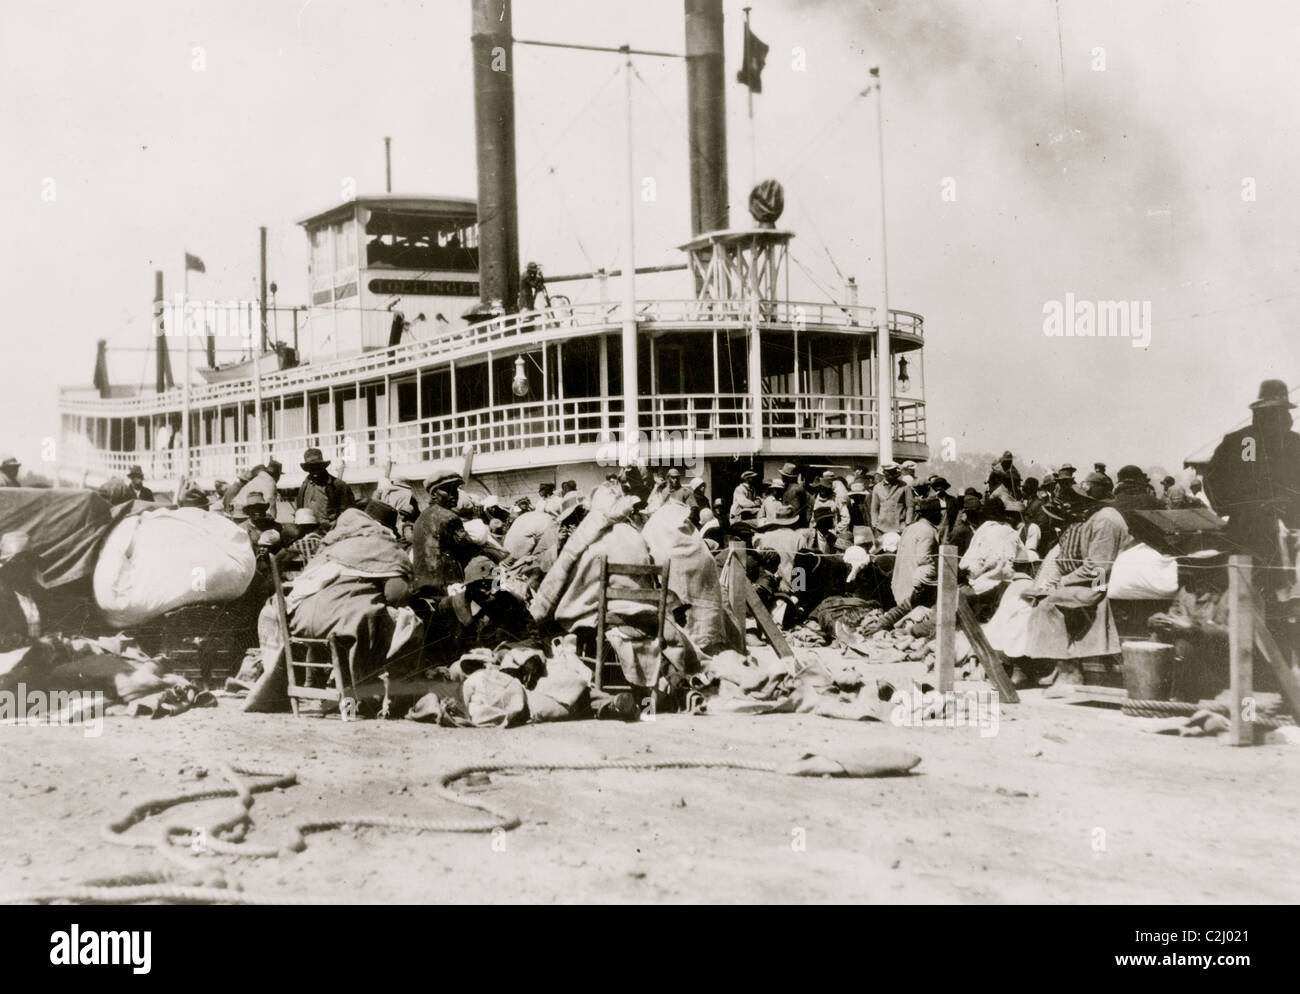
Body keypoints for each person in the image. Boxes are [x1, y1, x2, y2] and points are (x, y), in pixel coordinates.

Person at [1025, 481, 1132, 693]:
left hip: (1101, 583)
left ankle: (1069, 671)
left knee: (1050, 604)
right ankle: (1060, 665)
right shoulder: (1096, 518)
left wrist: (1062, 583)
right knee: (1048, 597)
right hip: (1097, 578)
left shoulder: (1104, 521)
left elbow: (1099, 567)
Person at [1204, 378, 1300, 591]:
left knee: (1258, 589)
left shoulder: (1292, 443)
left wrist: (1229, 507)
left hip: (1265, 529)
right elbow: (1214, 478)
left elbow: (1213, 478)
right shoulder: (1253, 441)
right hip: (1258, 530)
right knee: (1255, 590)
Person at [412, 463, 479, 596]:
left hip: (422, 584)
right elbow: (470, 550)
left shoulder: (421, 517)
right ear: (434, 495)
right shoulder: (449, 517)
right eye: (447, 490)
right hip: (447, 585)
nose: (454, 495)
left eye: (455, 490)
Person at [295, 448, 354, 530]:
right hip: (307, 531)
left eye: (317, 466)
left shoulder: (338, 485)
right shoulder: (304, 486)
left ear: (322, 466)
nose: (314, 470)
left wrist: (334, 524)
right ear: (307, 469)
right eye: (311, 467)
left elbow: (349, 513)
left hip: (331, 531)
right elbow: (299, 511)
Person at [0, 532, 40, 650]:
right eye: (16, 561)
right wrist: (29, 642)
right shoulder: (2, 594)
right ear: (5, 565)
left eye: (28, 559)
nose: (23, 565)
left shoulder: (36, 591)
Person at [870, 462, 913, 534]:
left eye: (893, 474)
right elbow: (874, 508)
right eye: (888, 474)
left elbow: (910, 506)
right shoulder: (877, 487)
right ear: (884, 473)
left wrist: (908, 523)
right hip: (881, 527)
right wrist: (875, 522)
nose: (890, 477)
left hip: (899, 527)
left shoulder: (904, 486)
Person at [778, 462, 807, 527]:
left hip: (793, 524)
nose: (781, 477)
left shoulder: (792, 490)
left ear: (787, 477)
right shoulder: (797, 487)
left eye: (783, 475)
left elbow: (794, 510)